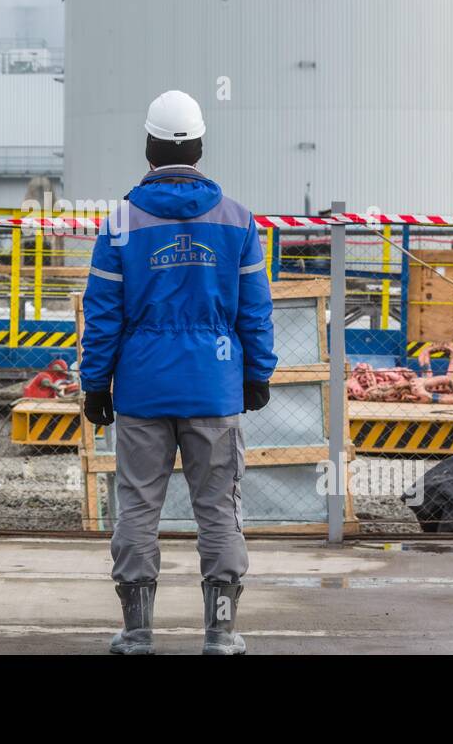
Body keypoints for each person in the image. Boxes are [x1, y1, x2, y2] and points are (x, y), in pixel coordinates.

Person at [80, 90, 276, 656]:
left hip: (142, 386)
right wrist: (256, 372)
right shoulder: (237, 220)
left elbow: (103, 313)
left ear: (148, 147)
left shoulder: (121, 222)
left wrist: (96, 383)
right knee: (217, 506)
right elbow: (255, 309)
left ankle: (138, 632)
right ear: (199, 146)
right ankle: (221, 632)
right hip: (214, 386)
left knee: (138, 503)